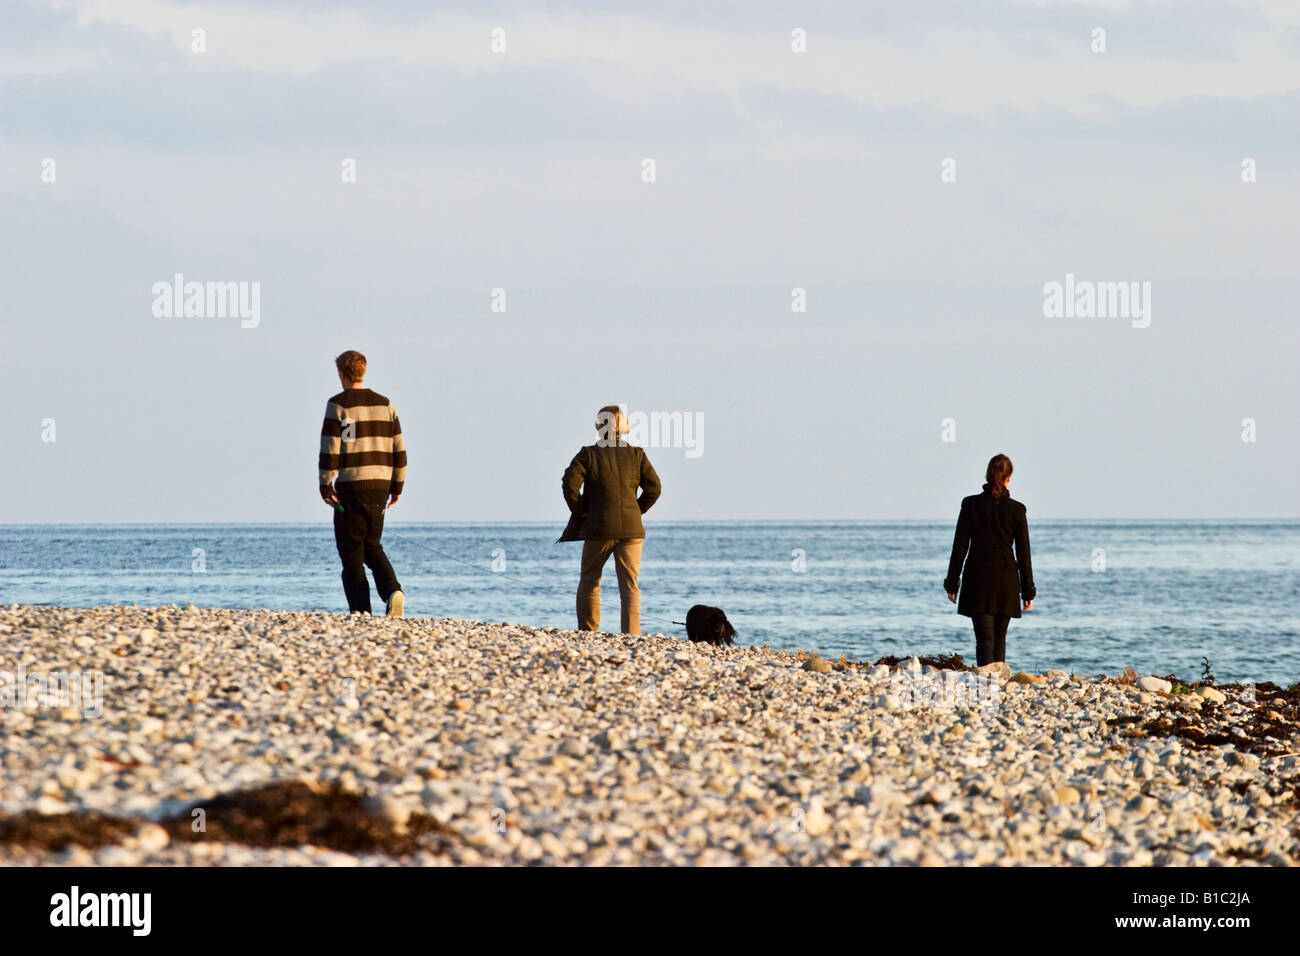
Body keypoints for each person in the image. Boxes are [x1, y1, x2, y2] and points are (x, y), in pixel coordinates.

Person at [319, 350, 407, 617]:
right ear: (363, 371)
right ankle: (393, 591)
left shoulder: (339, 405)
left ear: (341, 374)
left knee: (351, 553)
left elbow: (331, 449)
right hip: (380, 485)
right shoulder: (385, 404)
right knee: (371, 544)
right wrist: (397, 486)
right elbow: (399, 448)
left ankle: (361, 611)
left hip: (351, 487)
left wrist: (325, 485)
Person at [559, 406, 662, 635]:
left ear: (599, 426)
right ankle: (632, 634)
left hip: (599, 527)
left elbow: (569, 484)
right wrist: (636, 510)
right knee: (630, 587)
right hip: (632, 529)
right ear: (623, 426)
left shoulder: (588, 454)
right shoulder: (637, 454)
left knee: (590, 580)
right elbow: (655, 488)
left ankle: (588, 631)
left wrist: (579, 511)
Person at [944, 453, 1035, 665]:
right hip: (1006, 581)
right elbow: (1024, 554)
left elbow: (960, 547)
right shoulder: (1017, 510)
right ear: (1008, 478)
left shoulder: (970, 505)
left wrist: (952, 582)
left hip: (978, 579)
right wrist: (1028, 589)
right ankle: (999, 683)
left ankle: (987, 683)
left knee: (984, 639)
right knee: (999, 639)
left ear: (987, 475)